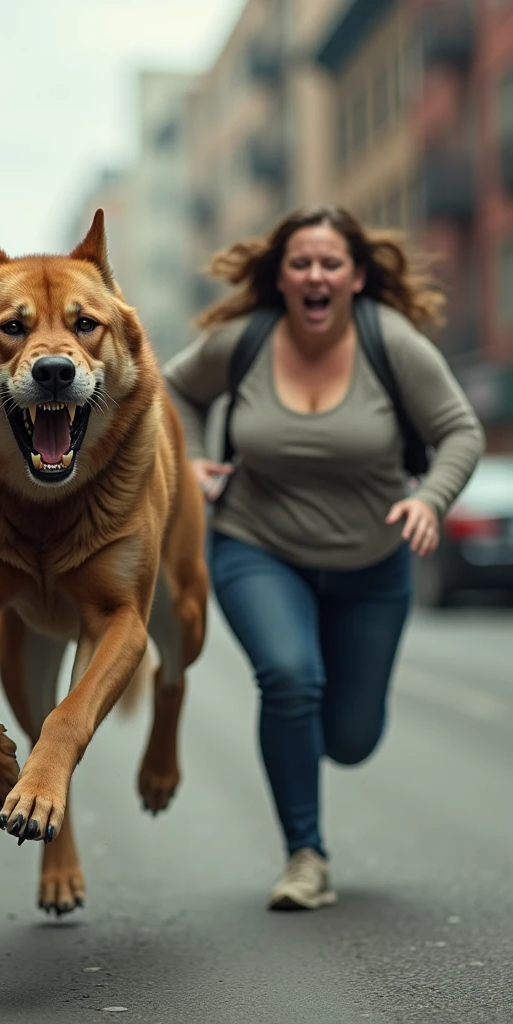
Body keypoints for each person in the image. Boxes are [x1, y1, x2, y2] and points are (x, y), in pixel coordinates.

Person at [163, 205, 484, 911]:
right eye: (300, 263)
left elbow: (460, 431)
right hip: (256, 547)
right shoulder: (244, 339)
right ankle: (304, 856)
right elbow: (170, 387)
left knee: (349, 736)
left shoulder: (389, 341)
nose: (315, 275)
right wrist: (186, 458)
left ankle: (336, 750)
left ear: (356, 277)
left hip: (373, 566)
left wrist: (430, 498)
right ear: (280, 278)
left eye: (330, 263)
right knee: (288, 677)